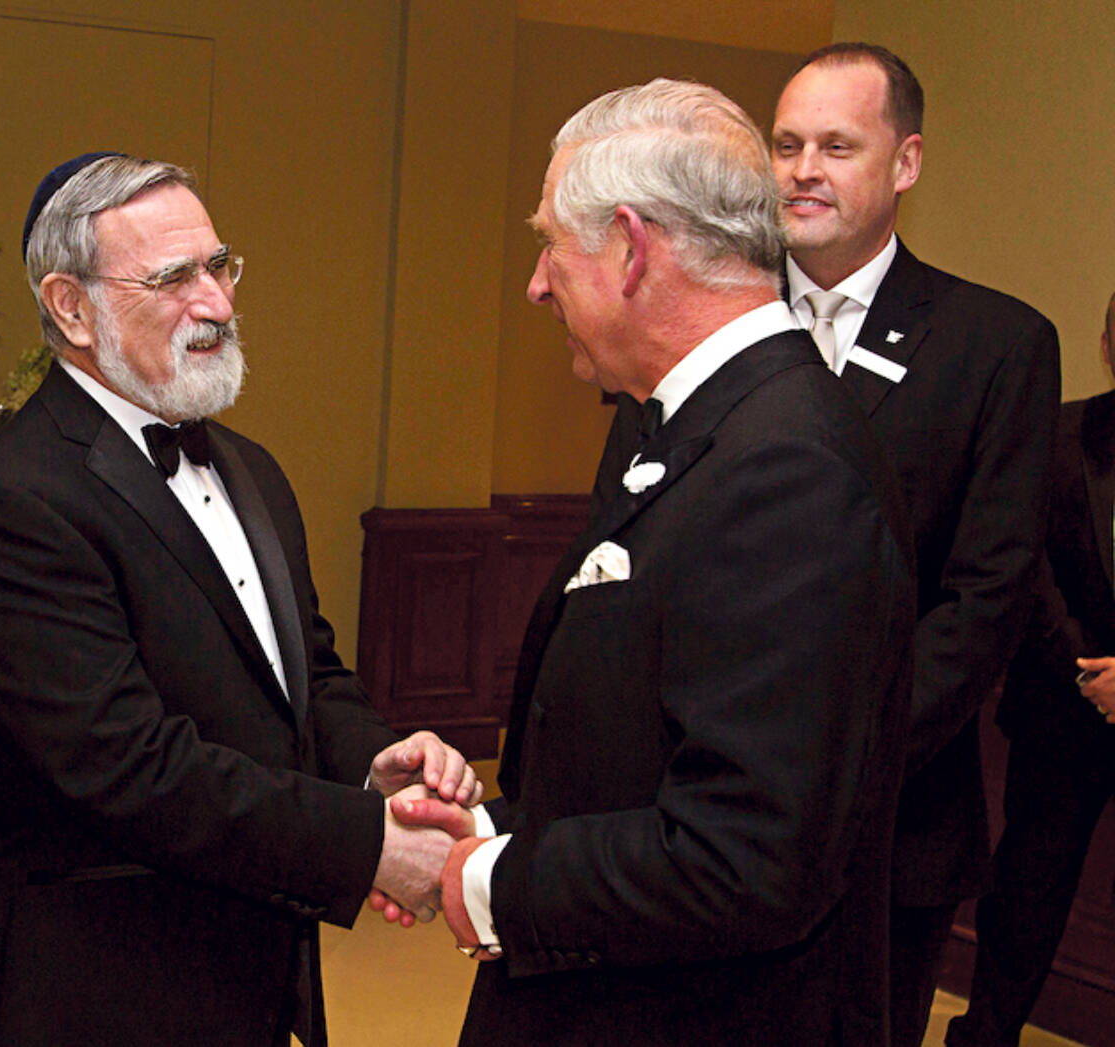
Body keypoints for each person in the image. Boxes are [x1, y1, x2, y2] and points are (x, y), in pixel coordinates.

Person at [386, 78, 915, 1045]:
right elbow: (649, 753)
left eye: (551, 244)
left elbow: (744, 854)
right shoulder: (686, 427)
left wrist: (487, 878)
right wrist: (496, 825)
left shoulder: (786, 466)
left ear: (631, 248)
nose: (538, 284)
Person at [0, 152, 478, 1046]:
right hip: (96, 991)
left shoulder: (250, 467)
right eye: (174, 277)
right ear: (71, 307)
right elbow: (129, 766)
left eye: (220, 266)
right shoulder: (17, 500)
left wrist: (372, 760)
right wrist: (366, 844)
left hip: (251, 972)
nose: (218, 303)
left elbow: (308, 673)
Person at [770, 44, 1060, 1045]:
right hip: (701, 820)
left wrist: (836, 756)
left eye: (838, 145)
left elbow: (986, 596)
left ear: (905, 163)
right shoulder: (707, 319)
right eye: (787, 144)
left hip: (891, 819)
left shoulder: (996, 345)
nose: (804, 168)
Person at [946, 295, 1115, 1046]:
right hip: (1063, 712)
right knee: (1024, 900)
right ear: (1108, 341)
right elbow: (1024, 565)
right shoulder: (1058, 432)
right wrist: (1089, 671)